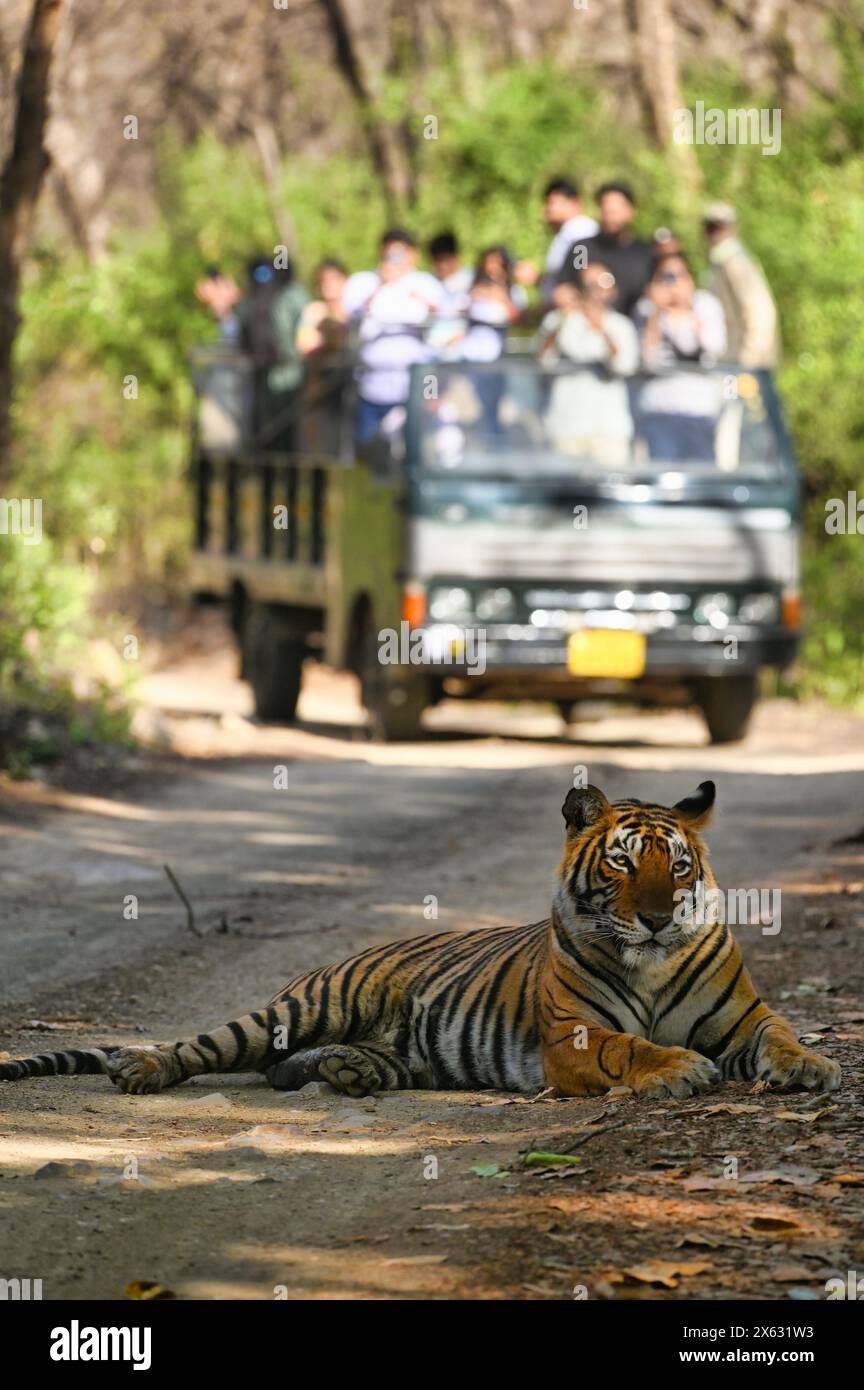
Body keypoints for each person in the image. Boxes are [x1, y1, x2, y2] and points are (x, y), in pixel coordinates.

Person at [342, 227, 448, 444]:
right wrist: (382, 283)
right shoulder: (363, 282)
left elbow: (445, 327)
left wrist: (435, 391)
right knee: (368, 449)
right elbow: (350, 319)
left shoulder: (426, 283)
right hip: (370, 385)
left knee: (413, 447)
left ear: (413, 254)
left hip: (416, 385)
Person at [540, 262, 639, 463]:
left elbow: (624, 365)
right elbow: (543, 361)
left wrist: (602, 331)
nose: (596, 291)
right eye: (589, 285)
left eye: (603, 283)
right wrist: (562, 317)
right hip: (566, 425)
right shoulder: (560, 320)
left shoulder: (621, 325)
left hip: (608, 428)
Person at [634, 250, 727, 462]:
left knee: (702, 474)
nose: (673, 284)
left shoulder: (705, 304)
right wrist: (657, 312)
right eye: (666, 277)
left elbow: (714, 348)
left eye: (679, 275)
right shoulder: (646, 309)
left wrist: (688, 308)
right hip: (660, 407)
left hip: (700, 408)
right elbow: (648, 359)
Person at [454, 246, 525, 436]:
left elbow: (518, 318)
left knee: (494, 406)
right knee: (468, 407)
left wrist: (500, 297)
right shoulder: (471, 288)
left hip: (497, 358)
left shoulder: (513, 292)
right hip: (470, 357)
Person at [557, 181, 654, 319]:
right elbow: (567, 287)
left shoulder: (644, 253)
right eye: (606, 208)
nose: (611, 215)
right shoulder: (583, 249)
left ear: (631, 211)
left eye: (616, 209)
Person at [702, 201, 780, 368]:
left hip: (744, 362)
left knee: (741, 394)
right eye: (711, 227)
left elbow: (760, 312)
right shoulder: (720, 262)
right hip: (729, 359)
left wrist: (750, 359)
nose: (715, 233)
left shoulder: (736, 262)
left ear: (733, 228)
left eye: (720, 227)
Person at [297, 259, 348, 357]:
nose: (329, 285)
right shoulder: (314, 311)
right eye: (323, 280)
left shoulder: (354, 308)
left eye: (333, 279)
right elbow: (303, 344)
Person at [427, 231, 474, 303]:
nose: (442, 266)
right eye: (437, 260)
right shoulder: (429, 281)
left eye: (446, 260)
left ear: (457, 255)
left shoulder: (472, 279)